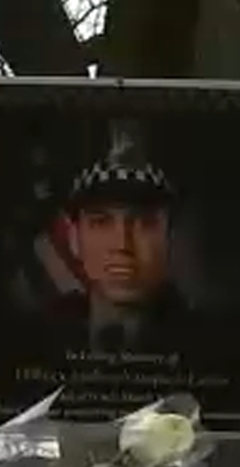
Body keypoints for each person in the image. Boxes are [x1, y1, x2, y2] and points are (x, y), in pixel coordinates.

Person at [52, 152, 193, 354]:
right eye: (101, 222)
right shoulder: (32, 340)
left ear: (169, 238)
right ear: (74, 239)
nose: (122, 244)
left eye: (145, 224)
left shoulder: (217, 347)